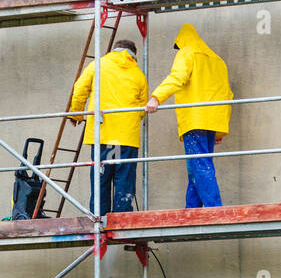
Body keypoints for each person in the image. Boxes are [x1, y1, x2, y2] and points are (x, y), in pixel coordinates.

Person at [145, 24, 233, 208]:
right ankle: (192, 208)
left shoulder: (188, 52)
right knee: (197, 166)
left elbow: (177, 77)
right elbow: (226, 94)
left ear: (182, 42)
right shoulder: (217, 60)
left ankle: (214, 208)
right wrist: (219, 130)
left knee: (200, 165)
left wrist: (156, 98)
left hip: (195, 119)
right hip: (211, 120)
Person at [70, 39, 148, 215]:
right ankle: (122, 217)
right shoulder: (138, 74)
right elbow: (142, 108)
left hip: (102, 134)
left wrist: (76, 114)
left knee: (101, 178)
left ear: (114, 50)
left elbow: (80, 89)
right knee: (124, 180)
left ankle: (99, 216)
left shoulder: (97, 65)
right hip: (127, 138)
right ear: (133, 55)